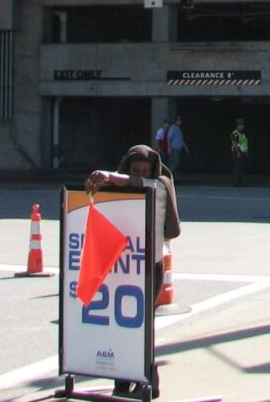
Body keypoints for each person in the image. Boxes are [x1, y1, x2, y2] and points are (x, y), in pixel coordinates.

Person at [85, 144, 181, 397]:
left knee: (141, 326)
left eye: (145, 170)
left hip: (150, 267)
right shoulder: (119, 190)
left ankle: (148, 378)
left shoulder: (160, 184)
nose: (141, 173)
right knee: (121, 326)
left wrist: (111, 176)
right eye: (135, 169)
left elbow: (143, 184)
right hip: (123, 267)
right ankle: (122, 380)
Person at [229, 118, 249, 186]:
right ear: (237, 126)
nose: (242, 126)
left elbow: (244, 143)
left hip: (242, 151)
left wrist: (246, 151)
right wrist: (238, 152)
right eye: (240, 125)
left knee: (242, 167)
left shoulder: (242, 134)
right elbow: (234, 143)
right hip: (237, 151)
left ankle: (241, 182)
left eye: (242, 125)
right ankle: (236, 183)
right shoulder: (235, 133)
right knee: (237, 167)